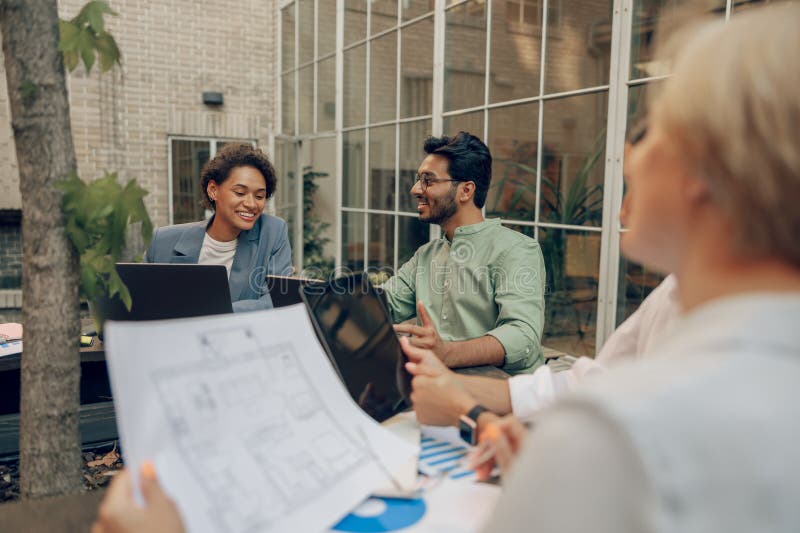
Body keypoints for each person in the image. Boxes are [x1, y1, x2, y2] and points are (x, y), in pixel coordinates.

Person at [480, 4, 800, 531]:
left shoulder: (620, 433)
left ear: (705, 161)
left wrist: (569, 474)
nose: (628, 155)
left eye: (649, 127)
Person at [383, 132, 546, 375]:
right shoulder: (426, 255)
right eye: (418, 179)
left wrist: (446, 353)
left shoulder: (517, 250)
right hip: (437, 384)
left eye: (428, 180)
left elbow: (522, 336)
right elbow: (387, 304)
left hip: (501, 394)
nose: (415, 189)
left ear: (466, 191)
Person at [145, 143, 292, 312]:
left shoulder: (272, 232)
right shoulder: (162, 242)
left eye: (259, 196)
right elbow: (145, 303)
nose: (252, 204)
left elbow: (276, 300)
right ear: (213, 190)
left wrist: (211, 312)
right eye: (240, 193)